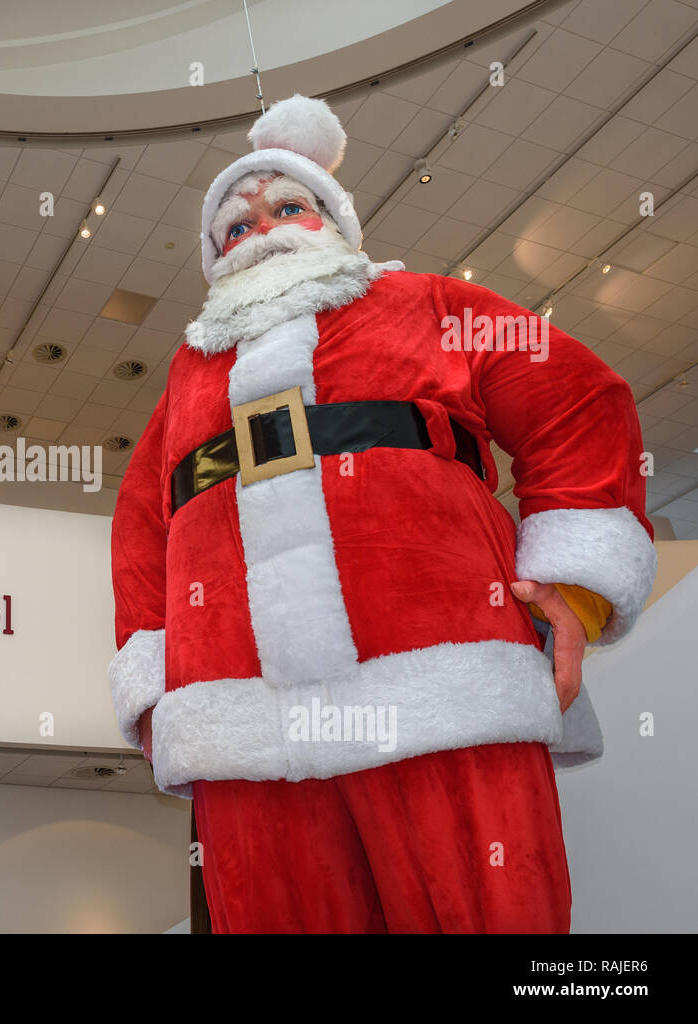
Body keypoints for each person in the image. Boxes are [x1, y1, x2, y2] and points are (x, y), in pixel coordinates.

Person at [107, 94, 656, 933]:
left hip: (444, 677)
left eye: (287, 208)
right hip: (239, 716)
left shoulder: (431, 304)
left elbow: (577, 402)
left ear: (333, 222)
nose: (262, 231)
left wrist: (574, 585)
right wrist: (153, 683)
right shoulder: (186, 375)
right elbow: (143, 529)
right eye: (236, 227)